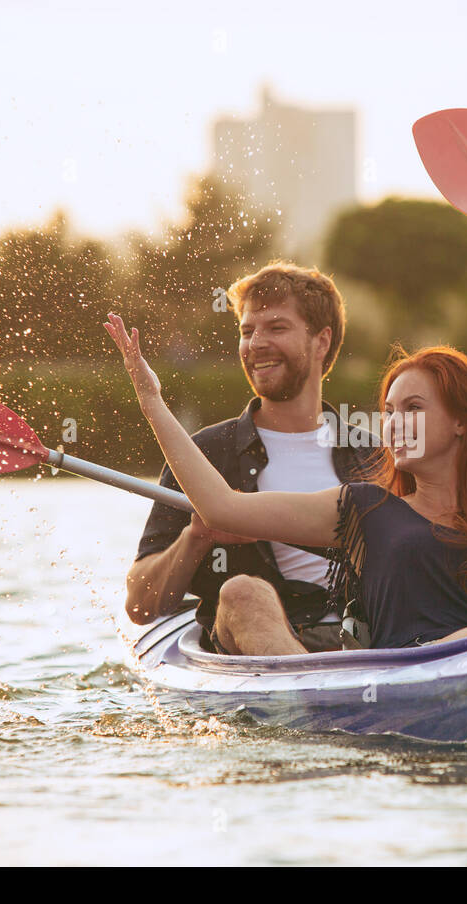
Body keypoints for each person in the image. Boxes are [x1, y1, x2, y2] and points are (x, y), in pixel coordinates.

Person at [106, 314, 467, 655]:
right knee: (242, 590)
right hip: (393, 687)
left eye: (412, 407)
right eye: (389, 410)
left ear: (464, 426)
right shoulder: (361, 509)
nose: (393, 423)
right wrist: (153, 403)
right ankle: (306, 710)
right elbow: (223, 505)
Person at [123, 262, 376, 654]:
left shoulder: (375, 456)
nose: (255, 343)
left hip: (364, 640)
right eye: (246, 331)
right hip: (258, 640)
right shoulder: (205, 453)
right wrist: (195, 538)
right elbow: (140, 604)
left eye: (276, 328)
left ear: (321, 341)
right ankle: (309, 697)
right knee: (243, 592)